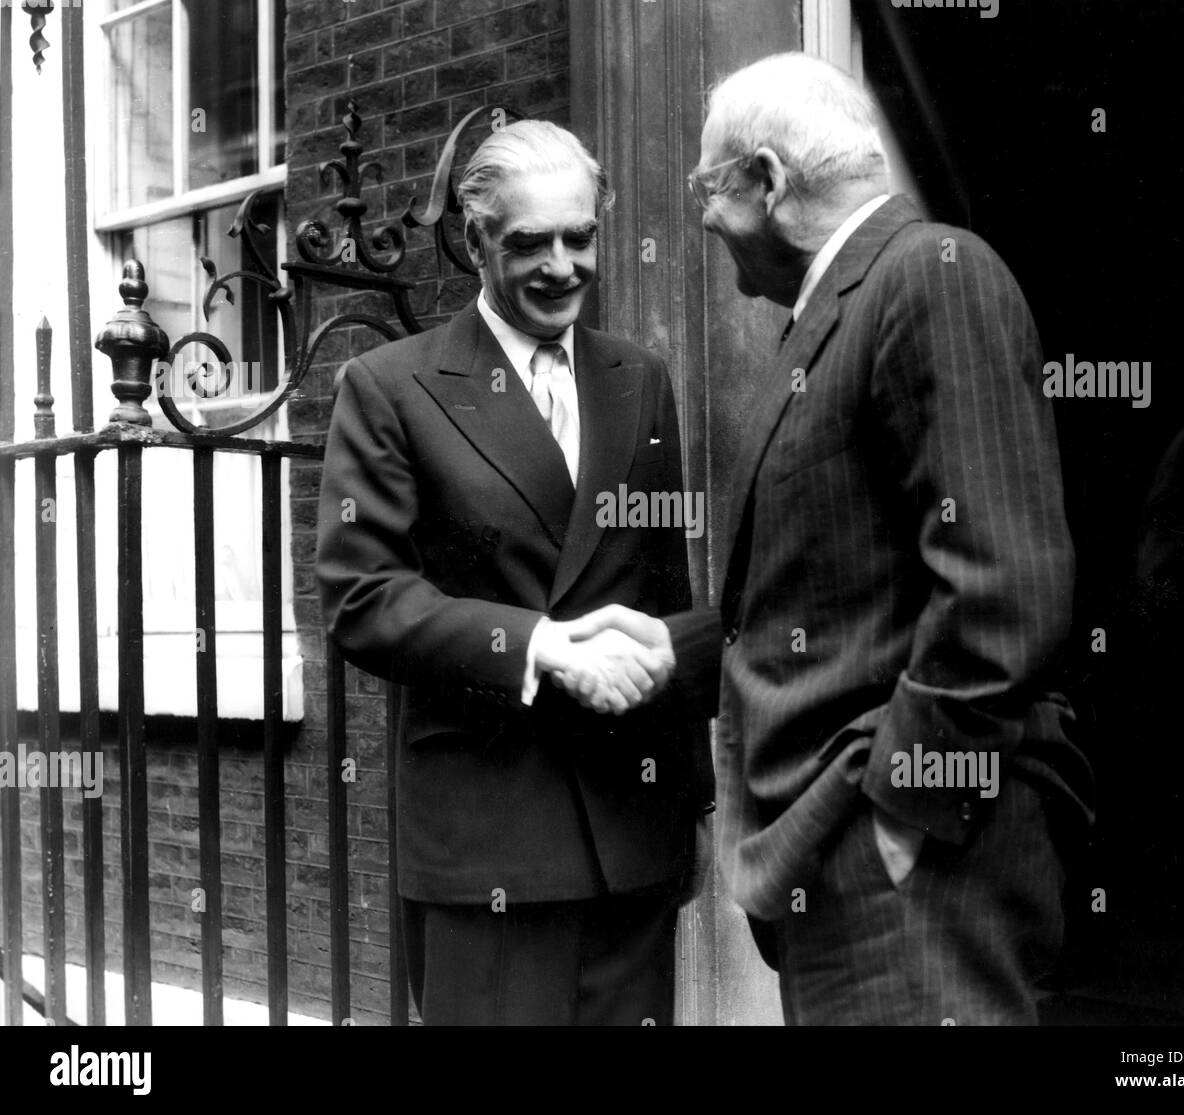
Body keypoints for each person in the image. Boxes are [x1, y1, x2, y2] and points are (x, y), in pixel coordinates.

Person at [575, 52, 1092, 1025]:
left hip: (916, 854)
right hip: (854, 853)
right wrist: (678, 648)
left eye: (707, 186)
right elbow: (840, 587)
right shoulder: (848, 304)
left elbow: (1005, 588)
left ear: (769, 180)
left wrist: (898, 815)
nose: (699, 218)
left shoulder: (934, 275)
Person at [315, 120, 716, 1026]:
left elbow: (665, 588)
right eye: (530, 242)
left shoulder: (638, 379)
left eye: (581, 236)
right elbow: (360, 596)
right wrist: (539, 647)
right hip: (487, 844)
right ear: (474, 239)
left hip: (632, 831)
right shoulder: (390, 386)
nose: (563, 265)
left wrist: (693, 796)